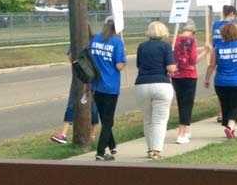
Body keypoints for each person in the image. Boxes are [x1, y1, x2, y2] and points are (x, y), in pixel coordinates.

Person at [134, 21, 177, 160]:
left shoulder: (141, 46)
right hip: (161, 84)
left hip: (142, 84)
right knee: (159, 120)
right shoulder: (166, 46)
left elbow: (139, 65)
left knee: (147, 119)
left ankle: (150, 148)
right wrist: (174, 67)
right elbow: (170, 68)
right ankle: (156, 150)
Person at [204, 21, 237, 139]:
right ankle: (230, 127)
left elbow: (212, 65)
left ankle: (230, 127)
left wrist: (207, 79)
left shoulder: (217, 47)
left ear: (223, 34)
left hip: (221, 82)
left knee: (225, 105)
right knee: (236, 106)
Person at [88, 18, 126, 162]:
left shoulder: (95, 39)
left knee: (105, 118)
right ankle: (100, 152)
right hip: (110, 86)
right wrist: (124, 59)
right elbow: (119, 66)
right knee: (108, 121)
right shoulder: (117, 42)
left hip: (96, 84)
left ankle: (112, 145)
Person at [51, 42, 98, 144]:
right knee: (91, 105)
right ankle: (91, 134)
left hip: (84, 77)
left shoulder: (82, 41)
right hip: (88, 78)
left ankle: (65, 134)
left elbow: (71, 57)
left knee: (78, 104)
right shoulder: (95, 41)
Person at [172, 20, 206, 144]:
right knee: (188, 104)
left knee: (181, 102)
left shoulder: (175, 39)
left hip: (176, 75)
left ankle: (186, 129)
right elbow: (192, 60)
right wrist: (205, 52)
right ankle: (181, 133)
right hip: (189, 75)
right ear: (193, 31)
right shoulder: (191, 40)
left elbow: (177, 55)